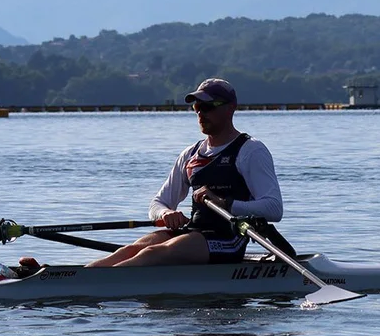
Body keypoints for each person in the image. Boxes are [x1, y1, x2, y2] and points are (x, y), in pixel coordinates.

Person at [86, 79, 284, 268]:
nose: (200, 113)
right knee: (129, 250)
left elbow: (274, 209)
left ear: (230, 107)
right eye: (197, 107)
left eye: (207, 107)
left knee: (153, 254)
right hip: (194, 232)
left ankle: (94, 287)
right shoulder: (190, 154)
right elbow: (157, 204)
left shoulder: (251, 151)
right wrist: (167, 213)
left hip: (228, 239)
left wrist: (225, 204)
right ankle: (76, 280)